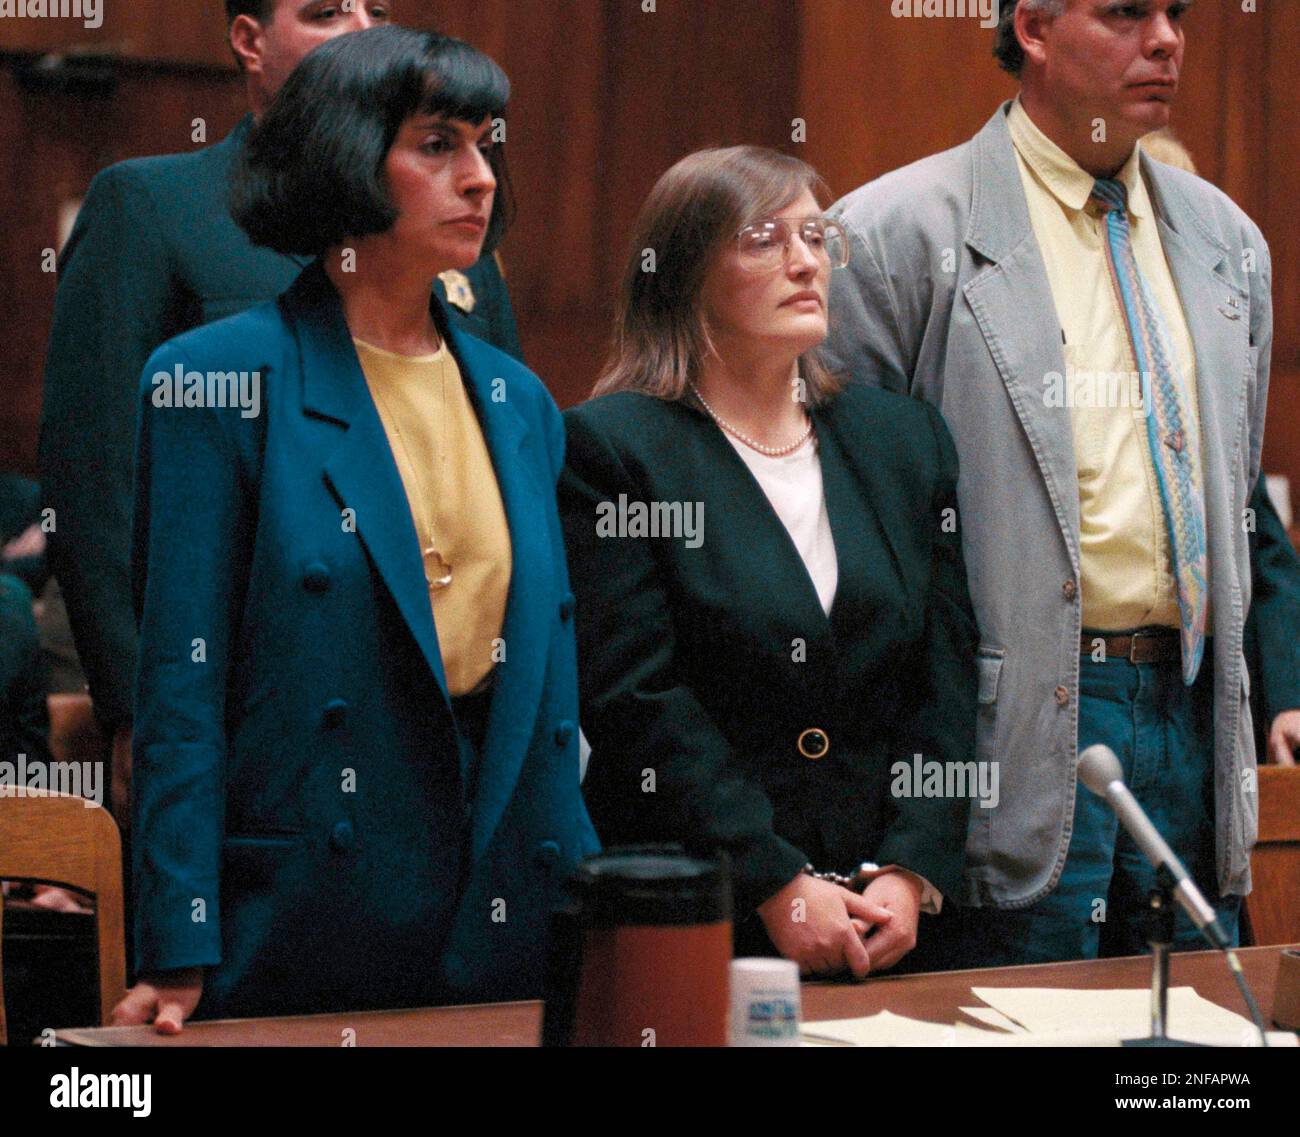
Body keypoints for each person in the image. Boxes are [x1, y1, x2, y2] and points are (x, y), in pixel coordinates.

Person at [111, 26, 597, 1032]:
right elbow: (180, 693)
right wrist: (179, 941)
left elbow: (545, 695)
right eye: (438, 146)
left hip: (507, 909)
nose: (480, 178)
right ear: (343, 156)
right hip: (309, 918)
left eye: (485, 144)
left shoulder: (521, 401)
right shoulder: (217, 382)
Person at [826, 0, 1270, 964]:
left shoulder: (1230, 240)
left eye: (1175, 13)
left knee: (1193, 1062)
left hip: (1193, 705)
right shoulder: (893, 232)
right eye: (1124, 13)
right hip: (1011, 717)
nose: (1165, 39)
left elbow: (1238, 510)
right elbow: (848, 555)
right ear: (1031, 28)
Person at [38, 0, 523, 747]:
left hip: (440, 683)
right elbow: (97, 476)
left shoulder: (449, 241)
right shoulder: (155, 206)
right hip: (242, 680)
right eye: (327, 11)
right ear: (248, 41)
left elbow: (505, 467)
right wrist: (140, 707)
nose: (364, 30)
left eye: (378, 9)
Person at [559, 146, 978, 977]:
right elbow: (636, 699)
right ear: (681, 272)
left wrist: (911, 866)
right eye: (764, 239)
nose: (805, 262)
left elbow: (948, 676)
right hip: (700, 914)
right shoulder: (614, 447)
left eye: (818, 238)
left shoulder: (902, 439)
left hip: (885, 916)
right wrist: (775, 882)